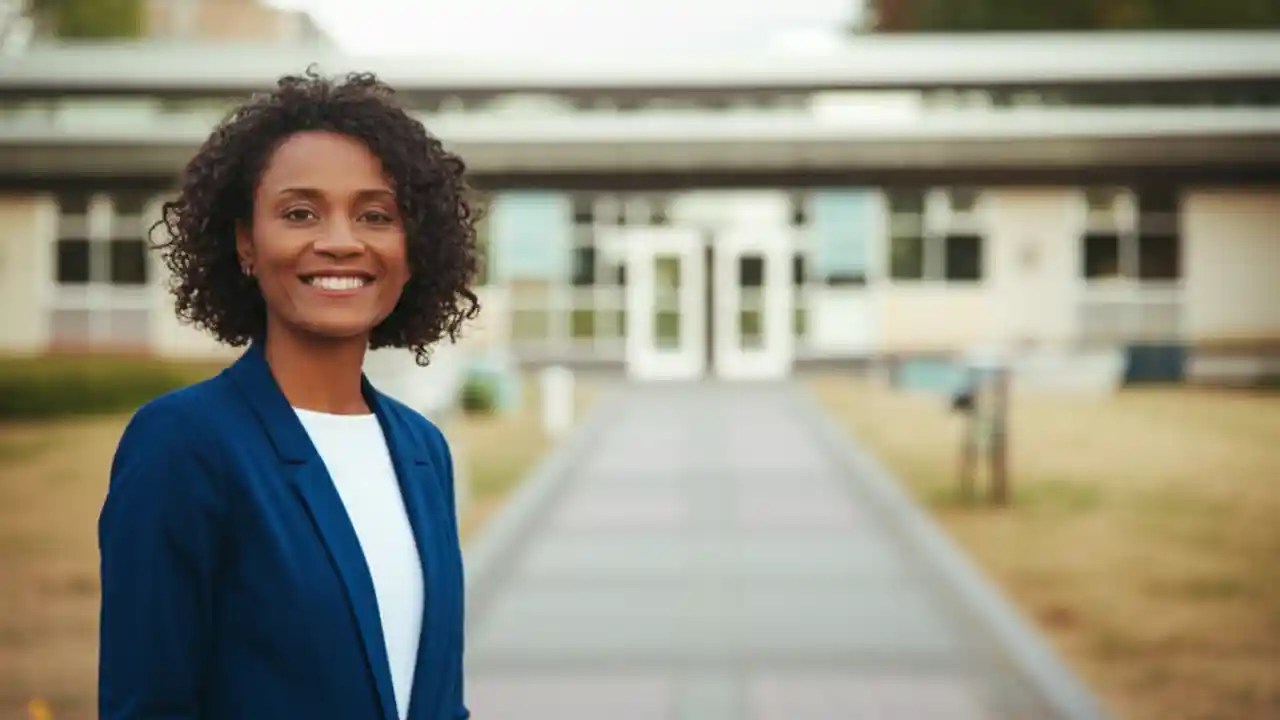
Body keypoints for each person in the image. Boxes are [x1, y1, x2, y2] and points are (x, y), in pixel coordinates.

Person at [98, 70, 479, 720]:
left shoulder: (422, 449)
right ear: (246, 242)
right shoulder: (184, 445)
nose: (338, 240)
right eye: (299, 212)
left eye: (375, 215)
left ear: (412, 248)